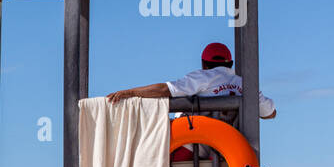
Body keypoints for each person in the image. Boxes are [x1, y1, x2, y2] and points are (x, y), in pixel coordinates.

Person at [106, 42, 276, 119]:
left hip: (198, 145)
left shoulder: (204, 77)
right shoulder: (245, 84)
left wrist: (129, 92)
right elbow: (270, 113)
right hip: (234, 152)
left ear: (204, 64)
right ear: (230, 63)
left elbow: (167, 89)